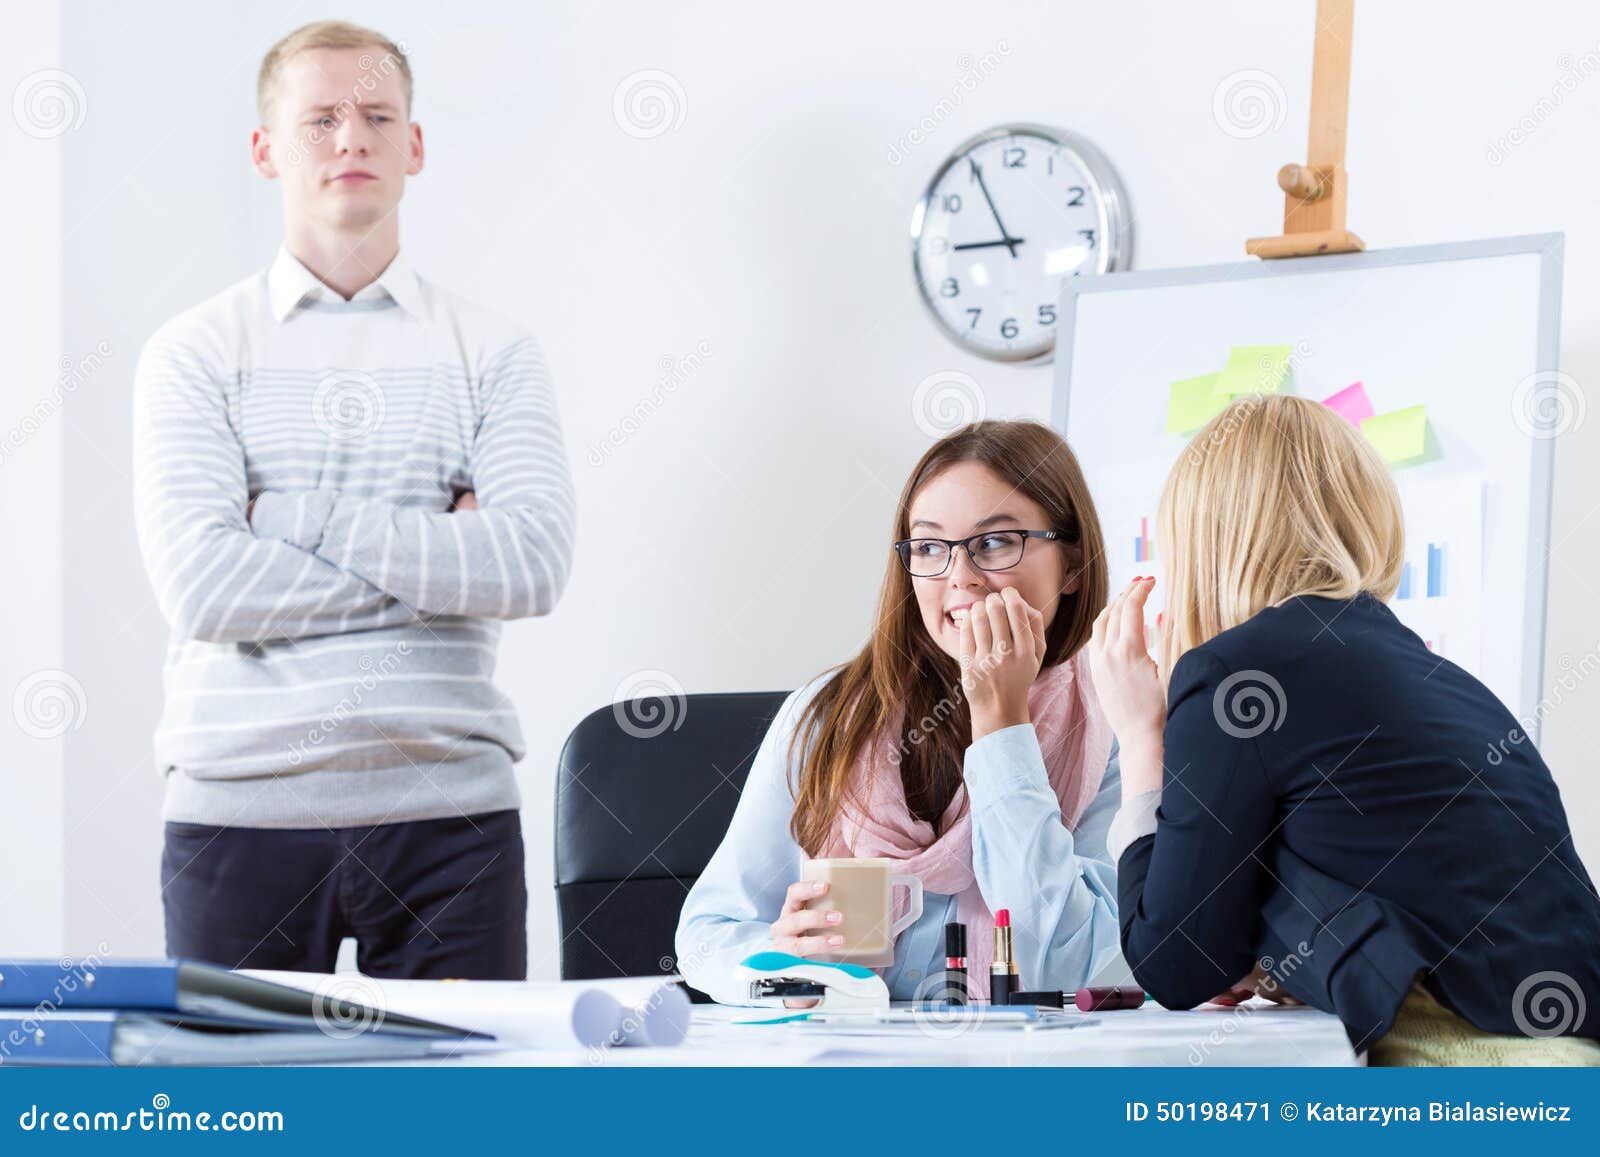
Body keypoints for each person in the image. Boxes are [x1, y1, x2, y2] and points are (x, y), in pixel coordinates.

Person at [132, 20, 576, 978]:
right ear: (265, 151)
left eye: (378, 115)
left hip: (450, 815)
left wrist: (295, 520)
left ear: (414, 145)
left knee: (452, 1129)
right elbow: (206, 589)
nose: (350, 139)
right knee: (244, 1129)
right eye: (320, 119)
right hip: (236, 815)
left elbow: (532, 563)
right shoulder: (195, 352)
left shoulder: (493, 350)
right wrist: (442, 569)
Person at [1090, 393, 1600, 1064]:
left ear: (1206, 541)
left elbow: (1174, 965)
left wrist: (1137, 733)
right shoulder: (1445, 680)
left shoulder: (1231, 671)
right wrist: (1272, 958)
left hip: (1474, 1079)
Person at [676, 420, 1123, 1004]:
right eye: (931, 547)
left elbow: (1068, 959)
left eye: (994, 542)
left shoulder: (1114, 730)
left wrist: (1002, 723)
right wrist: (779, 958)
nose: (959, 576)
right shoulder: (825, 717)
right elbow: (708, 936)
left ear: (1072, 566)